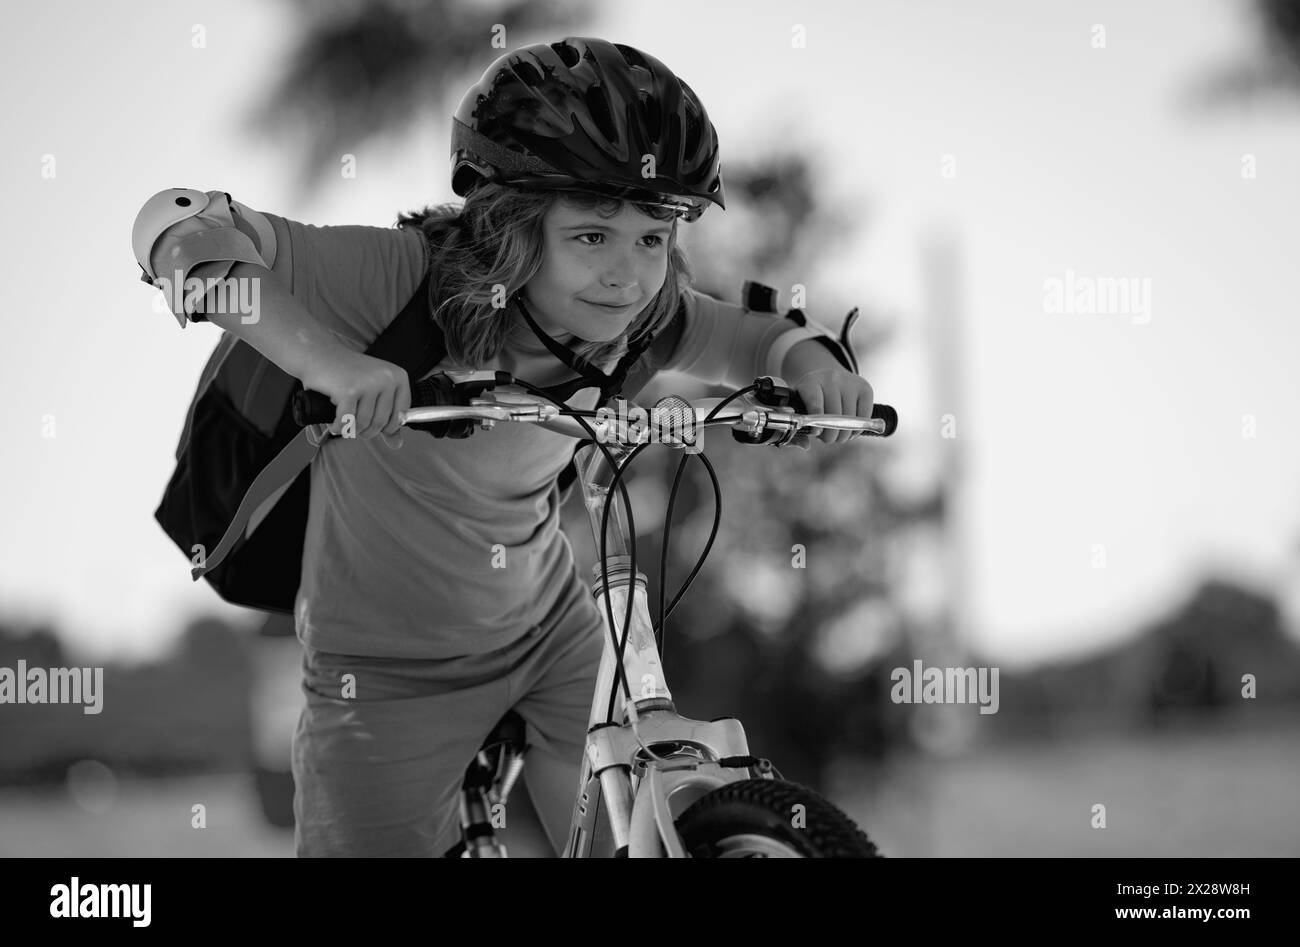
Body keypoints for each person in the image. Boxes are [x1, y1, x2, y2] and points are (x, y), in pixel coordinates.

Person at [134, 37, 875, 857]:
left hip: (551, 633)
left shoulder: (643, 315)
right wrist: (333, 364)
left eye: (651, 239)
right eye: (592, 237)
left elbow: (747, 335)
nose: (628, 276)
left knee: (646, 816)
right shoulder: (397, 280)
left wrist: (806, 362)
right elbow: (177, 228)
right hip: (386, 673)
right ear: (512, 225)